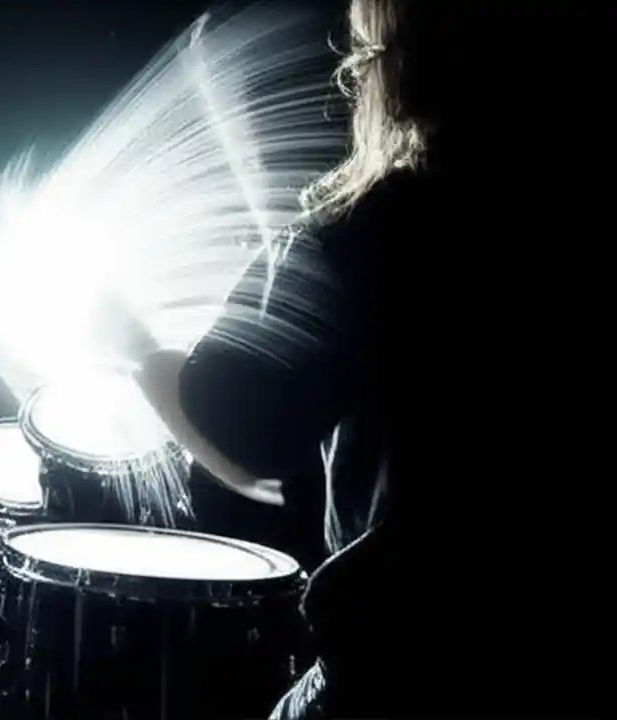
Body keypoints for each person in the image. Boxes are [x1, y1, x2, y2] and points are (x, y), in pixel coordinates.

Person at [104, 1, 613, 717]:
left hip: (403, 670)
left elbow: (235, 435)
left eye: (364, 58)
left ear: (399, 69)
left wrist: (132, 346)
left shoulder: (367, 230)